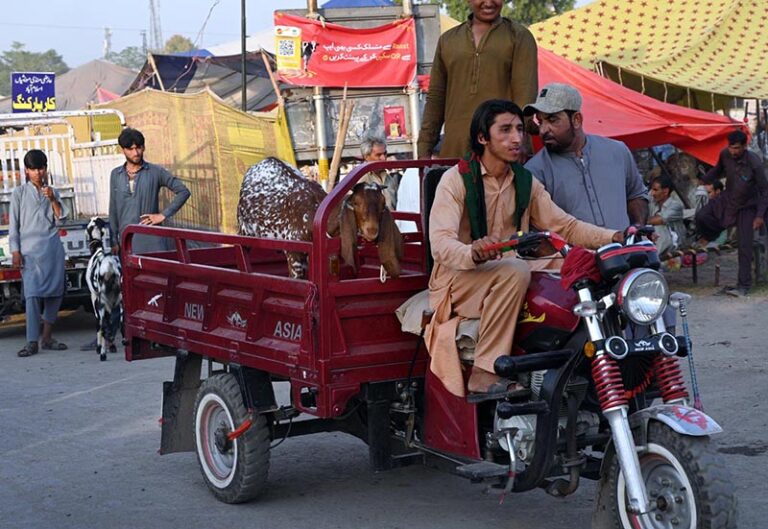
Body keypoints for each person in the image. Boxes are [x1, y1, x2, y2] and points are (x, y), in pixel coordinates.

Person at [426, 99, 622, 396]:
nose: (517, 138)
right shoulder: (455, 181)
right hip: (459, 279)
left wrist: (615, 238)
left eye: (519, 129)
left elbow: (565, 226)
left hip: (507, 268)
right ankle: (483, 372)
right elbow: (440, 244)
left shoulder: (524, 181)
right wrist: (472, 252)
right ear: (483, 138)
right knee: (514, 270)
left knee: (580, 266)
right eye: (505, 130)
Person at [417, 0, 538, 159]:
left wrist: (519, 141)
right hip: (456, 151)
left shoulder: (519, 36)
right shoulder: (448, 40)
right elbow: (435, 99)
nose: (488, 2)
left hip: (503, 154)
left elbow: (525, 99)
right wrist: (424, 149)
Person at [524, 83, 649, 232]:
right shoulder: (534, 171)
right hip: (571, 255)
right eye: (540, 121)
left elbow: (636, 195)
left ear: (576, 120)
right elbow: (538, 227)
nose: (543, 130)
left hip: (626, 253)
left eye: (552, 120)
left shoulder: (617, 151)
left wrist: (638, 226)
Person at [9, 150, 69, 357]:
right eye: (33, 169)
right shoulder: (19, 194)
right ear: (26, 171)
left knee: (55, 293)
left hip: (52, 249)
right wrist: (15, 251)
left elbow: (61, 219)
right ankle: (31, 341)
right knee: (32, 295)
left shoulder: (52, 192)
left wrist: (53, 199)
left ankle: (47, 337)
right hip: (29, 252)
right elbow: (13, 226)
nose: (38, 172)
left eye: (41, 168)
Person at [696, 130, 768, 297]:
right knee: (702, 215)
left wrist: (759, 216)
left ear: (744, 146)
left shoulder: (754, 163)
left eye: (736, 148)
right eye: (730, 148)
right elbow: (718, 170)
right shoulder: (725, 155)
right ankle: (710, 236)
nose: (733, 151)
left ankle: (743, 285)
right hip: (728, 198)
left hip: (748, 206)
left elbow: (765, 192)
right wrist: (705, 180)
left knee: (744, 246)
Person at [108, 127, 190, 255]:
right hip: (126, 243)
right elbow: (113, 209)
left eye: (139, 148)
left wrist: (163, 215)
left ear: (144, 147)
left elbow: (183, 191)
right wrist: (113, 241)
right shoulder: (116, 174)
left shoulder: (155, 171)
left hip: (152, 243)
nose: (136, 153)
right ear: (122, 150)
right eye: (130, 149)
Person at [359, 136, 401, 210]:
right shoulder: (360, 179)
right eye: (378, 155)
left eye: (385, 154)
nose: (383, 158)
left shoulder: (389, 178)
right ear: (366, 157)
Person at [648, 175, 686, 255]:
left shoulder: (676, 206)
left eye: (655, 190)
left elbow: (660, 220)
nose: (652, 193)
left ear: (665, 191)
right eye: (652, 189)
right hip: (659, 241)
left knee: (658, 227)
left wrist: (640, 221)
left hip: (674, 243)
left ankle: (654, 255)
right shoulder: (653, 201)